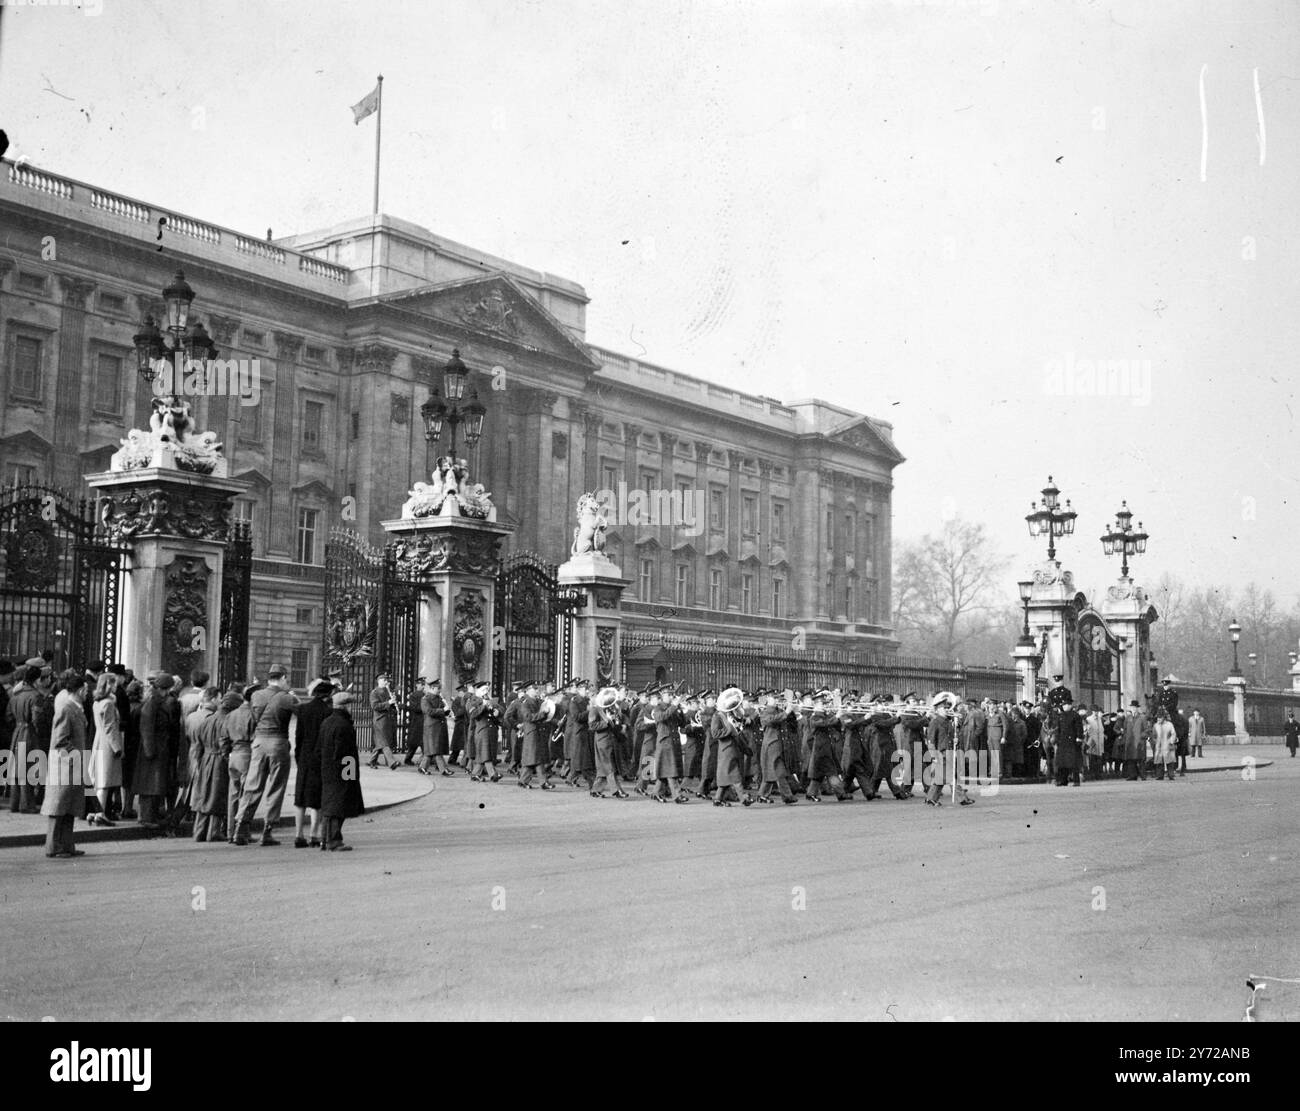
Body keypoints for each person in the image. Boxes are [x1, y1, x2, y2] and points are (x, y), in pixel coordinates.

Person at [232, 665, 300, 846]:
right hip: (278, 744)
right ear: (283, 678)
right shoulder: (288, 698)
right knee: (276, 788)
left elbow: (253, 717)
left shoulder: (256, 695)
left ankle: (240, 827)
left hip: (258, 743)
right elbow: (302, 713)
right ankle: (267, 831)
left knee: (252, 785)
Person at [42, 670, 88, 858]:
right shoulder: (66, 708)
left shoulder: (74, 707)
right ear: (78, 690)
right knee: (59, 807)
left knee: (69, 807)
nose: (87, 693)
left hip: (71, 765)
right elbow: (59, 740)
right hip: (64, 765)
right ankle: (53, 846)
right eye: (85, 689)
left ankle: (67, 844)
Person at [318, 690, 364, 851]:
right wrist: (351, 775)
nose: (352, 708)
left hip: (327, 769)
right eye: (350, 705)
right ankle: (334, 840)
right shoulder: (344, 725)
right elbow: (345, 753)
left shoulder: (327, 722)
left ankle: (324, 838)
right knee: (338, 805)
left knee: (330, 806)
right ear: (345, 706)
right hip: (342, 770)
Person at [292, 678, 333, 847]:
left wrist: (298, 755)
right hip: (320, 758)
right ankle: (314, 835)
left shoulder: (303, 709)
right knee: (317, 800)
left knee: (300, 798)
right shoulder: (328, 712)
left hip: (304, 756)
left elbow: (298, 736)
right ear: (328, 695)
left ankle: (298, 835)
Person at [192, 690, 237, 843]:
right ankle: (214, 831)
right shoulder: (228, 720)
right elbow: (225, 744)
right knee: (218, 795)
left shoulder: (207, 720)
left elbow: (197, 742)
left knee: (204, 794)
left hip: (205, 758)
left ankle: (199, 831)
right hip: (219, 759)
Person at [133, 673, 175, 829]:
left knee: (155, 784)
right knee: (150, 784)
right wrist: (149, 750)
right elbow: (147, 728)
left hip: (158, 747)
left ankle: (152, 815)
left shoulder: (157, 701)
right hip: (152, 749)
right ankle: (146, 817)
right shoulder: (152, 703)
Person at [86, 673, 123, 827]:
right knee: (104, 782)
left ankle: (94, 812)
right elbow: (110, 727)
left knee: (98, 780)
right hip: (107, 744)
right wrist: (117, 747)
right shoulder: (108, 703)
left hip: (98, 741)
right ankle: (100, 813)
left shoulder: (97, 702)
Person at [711, 687, 754, 807]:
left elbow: (739, 727)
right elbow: (715, 733)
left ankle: (718, 799)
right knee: (735, 775)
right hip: (726, 749)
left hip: (734, 748)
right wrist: (729, 729)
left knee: (726, 776)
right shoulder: (718, 716)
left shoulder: (731, 714)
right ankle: (743, 798)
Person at [223, 685, 254, 842]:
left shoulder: (231, 715)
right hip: (246, 754)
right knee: (247, 794)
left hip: (233, 754)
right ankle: (240, 831)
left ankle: (230, 831)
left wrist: (226, 754)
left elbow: (223, 738)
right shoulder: (253, 715)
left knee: (233, 795)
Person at [756, 692, 797, 804]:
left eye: (777, 698)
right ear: (768, 699)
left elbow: (791, 723)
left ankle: (762, 795)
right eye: (774, 698)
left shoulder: (778, 711)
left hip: (778, 744)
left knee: (771, 771)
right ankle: (787, 796)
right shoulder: (764, 713)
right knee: (779, 771)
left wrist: (790, 709)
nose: (777, 700)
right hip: (771, 745)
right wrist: (786, 712)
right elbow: (771, 721)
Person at [517, 680, 554, 789]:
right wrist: (543, 713)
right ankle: (543, 782)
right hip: (532, 732)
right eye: (535, 688)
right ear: (528, 690)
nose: (537, 690)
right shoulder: (525, 703)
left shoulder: (538, 701)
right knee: (535, 757)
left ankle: (523, 780)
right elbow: (528, 717)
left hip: (538, 731)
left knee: (534, 757)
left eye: (537, 688)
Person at [464, 680, 502, 782]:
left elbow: (500, 708)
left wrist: (498, 712)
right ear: (478, 690)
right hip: (482, 729)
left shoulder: (488, 699)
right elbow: (473, 714)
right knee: (486, 753)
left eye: (487, 689)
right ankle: (493, 774)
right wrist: (483, 706)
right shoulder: (473, 700)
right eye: (484, 689)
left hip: (490, 730)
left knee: (484, 754)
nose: (486, 692)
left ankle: (475, 774)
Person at [418, 677, 452, 776]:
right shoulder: (425, 699)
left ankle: (423, 767)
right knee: (436, 750)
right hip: (431, 727)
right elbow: (429, 711)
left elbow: (443, 711)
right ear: (432, 688)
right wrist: (443, 710)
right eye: (438, 688)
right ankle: (444, 770)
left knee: (431, 749)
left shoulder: (439, 698)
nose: (440, 690)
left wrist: (448, 712)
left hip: (439, 727)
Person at [367, 672, 401, 770]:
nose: (386, 682)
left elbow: (391, 706)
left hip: (387, 720)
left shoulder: (388, 692)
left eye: (387, 680)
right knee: (384, 742)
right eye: (384, 680)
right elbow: (375, 706)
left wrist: (394, 705)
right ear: (379, 681)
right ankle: (392, 763)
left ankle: (372, 761)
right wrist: (388, 702)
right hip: (379, 720)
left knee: (380, 743)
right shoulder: (374, 692)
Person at [1054, 698, 1083, 787]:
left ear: (1070, 705)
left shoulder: (1075, 715)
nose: (1064, 706)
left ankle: (1076, 780)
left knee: (1073, 762)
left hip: (1072, 742)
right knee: (1062, 763)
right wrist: (1057, 739)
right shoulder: (1061, 716)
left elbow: (1079, 728)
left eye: (1066, 705)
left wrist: (1079, 738)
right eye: (1063, 705)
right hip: (1062, 742)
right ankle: (1062, 780)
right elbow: (1058, 729)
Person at [1121, 700, 1148, 780]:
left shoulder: (1142, 717)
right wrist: (1125, 738)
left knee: (1141, 759)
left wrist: (1142, 736)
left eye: (1135, 707)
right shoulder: (1128, 718)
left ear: (1137, 708)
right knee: (1130, 759)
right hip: (1130, 741)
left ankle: (1143, 775)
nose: (1133, 709)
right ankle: (1133, 775)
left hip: (1139, 741)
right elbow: (1125, 729)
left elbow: (1147, 729)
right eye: (1132, 707)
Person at [1151, 709, 1178, 780]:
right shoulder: (1155, 725)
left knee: (1170, 762)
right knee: (1159, 762)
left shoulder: (1169, 725)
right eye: (1157, 718)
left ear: (1163, 718)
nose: (1158, 719)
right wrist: (1155, 742)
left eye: (1160, 718)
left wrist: (1171, 741)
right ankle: (1160, 775)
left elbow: (1173, 734)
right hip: (1159, 746)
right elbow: (1153, 735)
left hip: (1167, 745)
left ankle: (1171, 775)